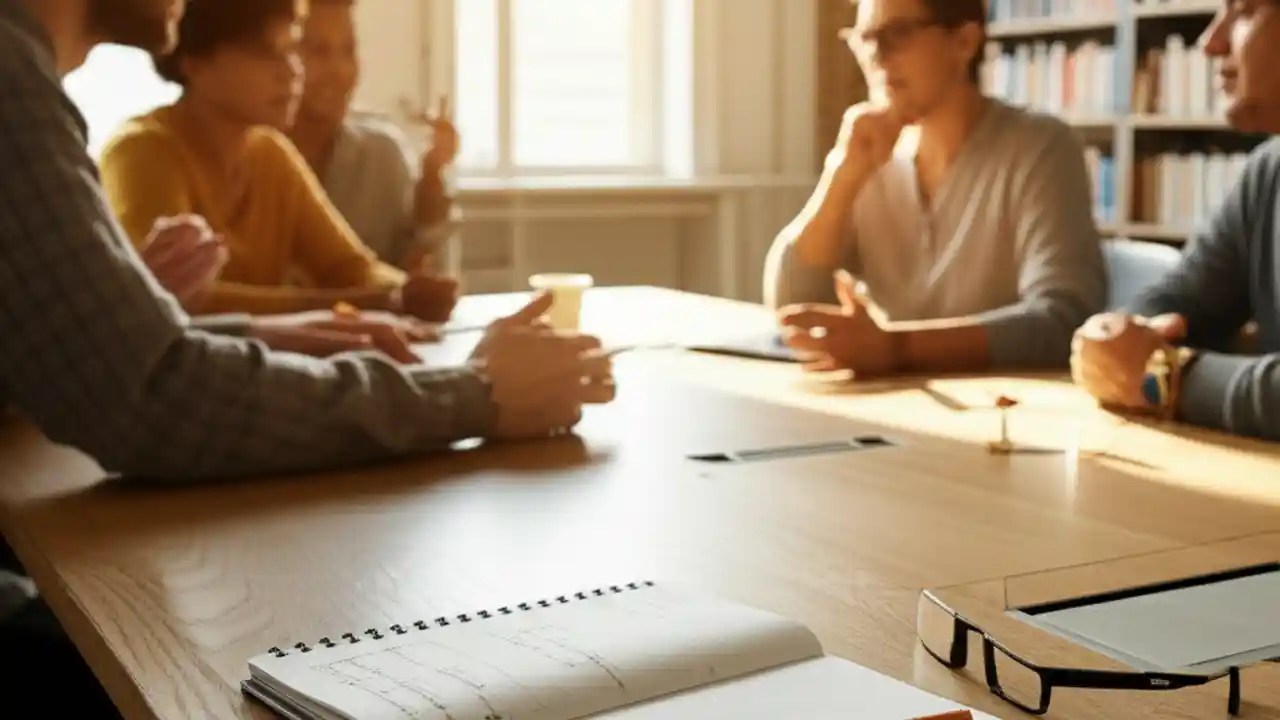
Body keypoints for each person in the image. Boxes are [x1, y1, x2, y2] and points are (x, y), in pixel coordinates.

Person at [0, 0, 615, 713]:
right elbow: (151, 396)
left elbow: (65, 354)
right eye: (278, 50)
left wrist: (257, 332)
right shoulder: (14, 79)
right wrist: (474, 393)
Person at [765, 0, 1105, 377]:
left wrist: (897, 349)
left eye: (898, 33)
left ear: (964, 41)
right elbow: (791, 306)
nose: (876, 55)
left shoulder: (1041, 147)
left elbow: (1064, 320)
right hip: (893, 400)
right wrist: (840, 177)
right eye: (864, 38)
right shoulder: (870, 156)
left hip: (1006, 402)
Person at [98, 0, 459, 321]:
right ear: (195, 63)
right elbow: (177, 297)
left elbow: (348, 266)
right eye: (266, 52)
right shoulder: (141, 152)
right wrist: (370, 302)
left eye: (292, 49)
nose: (291, 71)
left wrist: (408, 290)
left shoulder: (269, 152)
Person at [1072, 0, 1280, 443]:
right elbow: (1182, 300)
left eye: (1244, 10)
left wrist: (1165, 376)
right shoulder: (1269, 173)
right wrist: (1119, 338)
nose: (1209, 43)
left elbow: (1157, 368)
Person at [290, 0, 459, 274]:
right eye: (318, 51)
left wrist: (431, 179)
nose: (340, 70)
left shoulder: (382, 157)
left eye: (349, 50)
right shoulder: (248, 160)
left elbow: (417, 274)